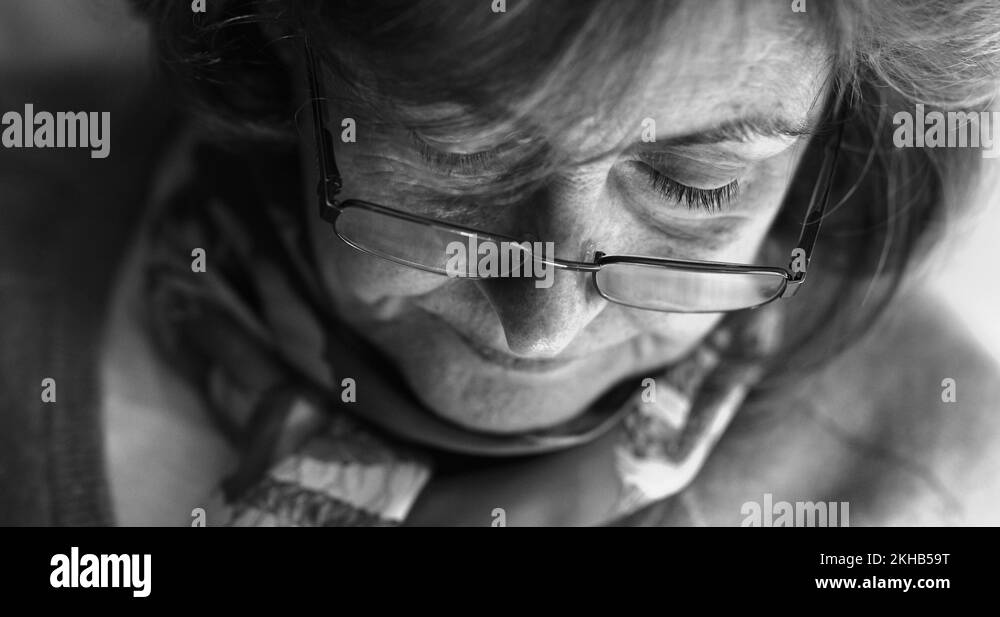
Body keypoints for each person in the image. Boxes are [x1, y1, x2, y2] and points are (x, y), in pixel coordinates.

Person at [99, 0, 1000, 525]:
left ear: (841, 143)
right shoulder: (41, 248)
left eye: (693, 183)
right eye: (457, 155)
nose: (543, 325)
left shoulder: (933, 481)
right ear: (279, 43)